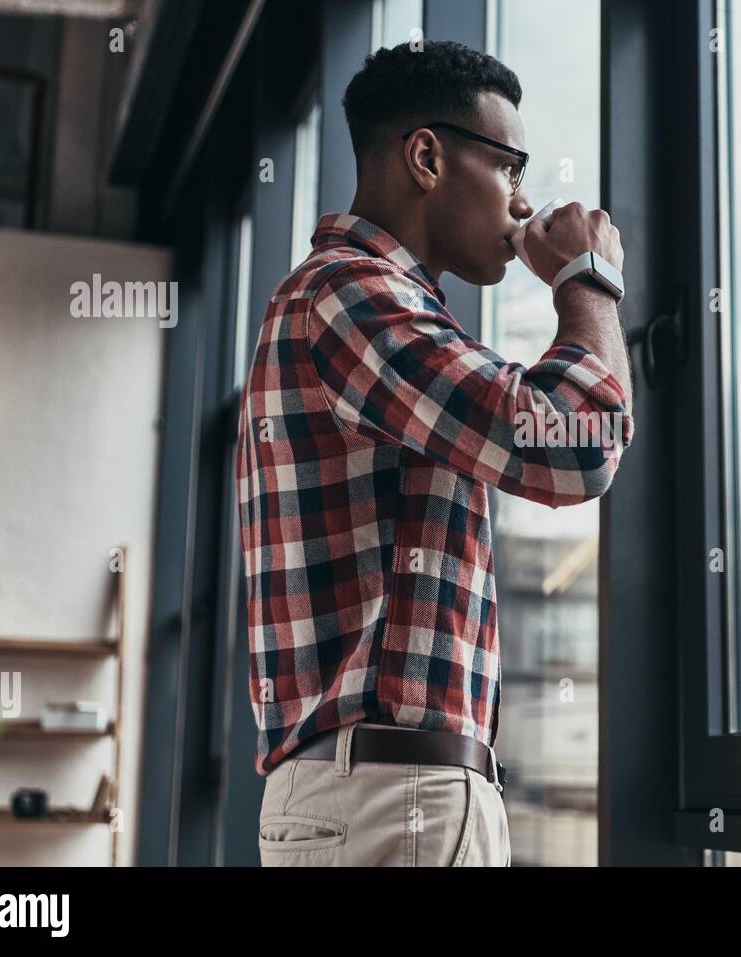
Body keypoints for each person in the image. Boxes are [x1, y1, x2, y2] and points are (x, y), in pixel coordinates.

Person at [236, 39, 634, 866]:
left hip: (373, 797)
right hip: (390, 799)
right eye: (510, 169)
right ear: (427, 156)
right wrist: (586, 278)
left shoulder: (360, 302)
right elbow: (580, 440)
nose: (522, 204)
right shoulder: (351, 295)